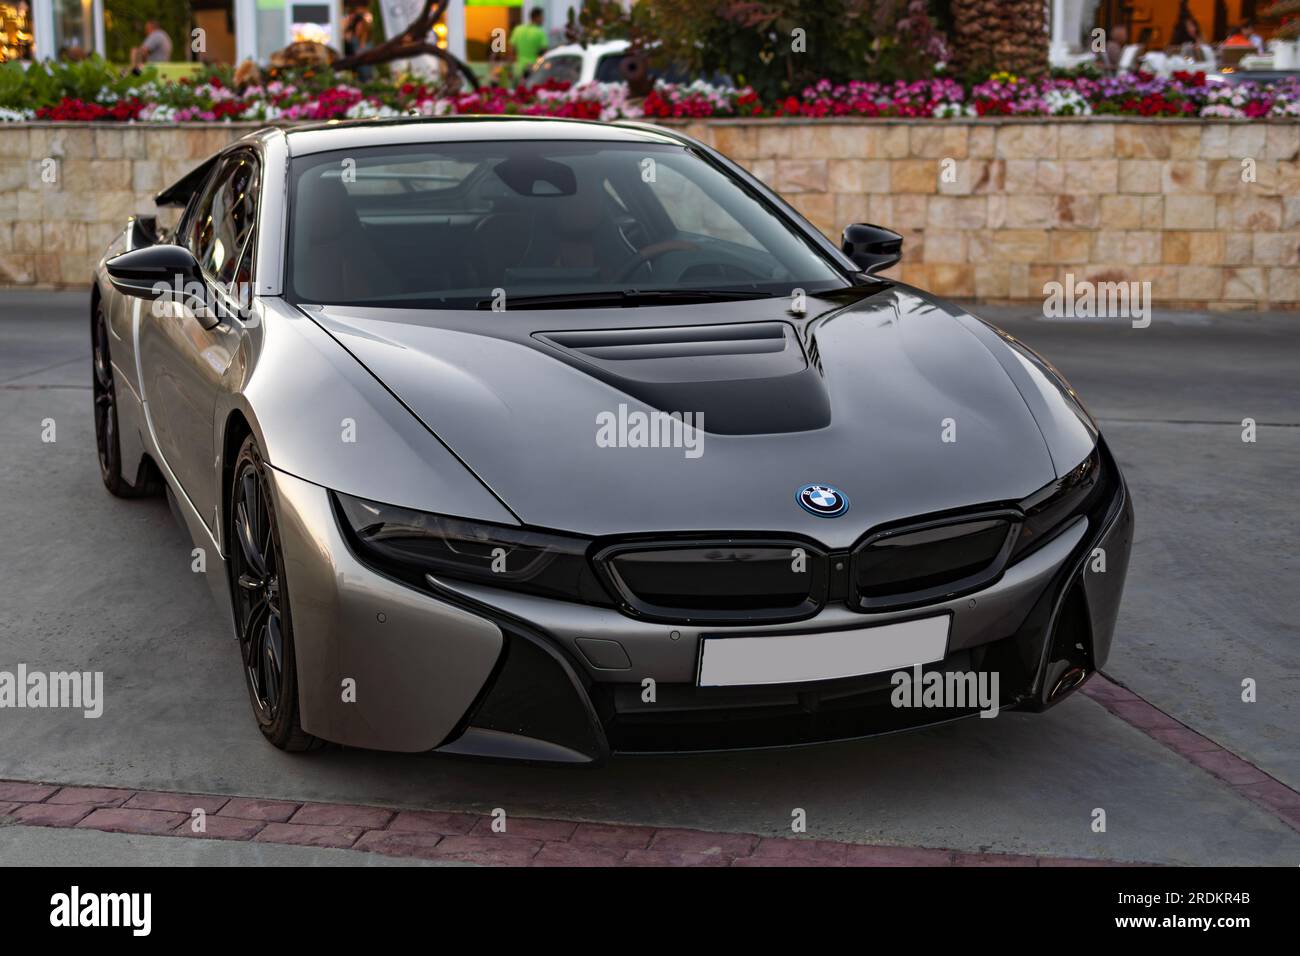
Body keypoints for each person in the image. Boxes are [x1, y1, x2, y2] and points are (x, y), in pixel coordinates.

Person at [510, 7, 547, 81]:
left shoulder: (518, 30)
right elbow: (544, 51)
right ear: (537, 17)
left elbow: (512, 48)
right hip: (534, 69)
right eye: (542, 17)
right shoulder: (540, 32)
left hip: (519, 68)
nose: (543, 19)